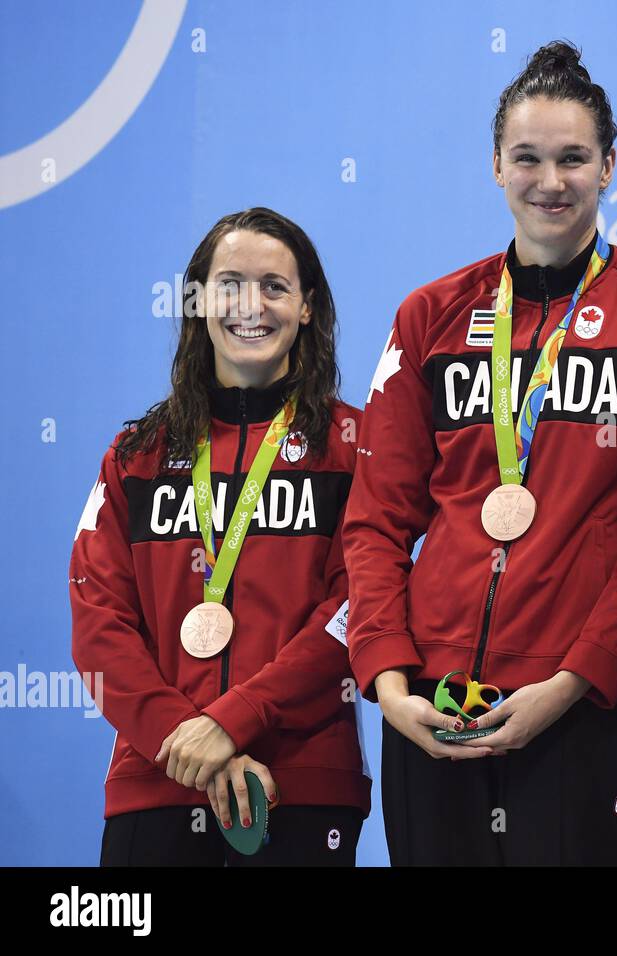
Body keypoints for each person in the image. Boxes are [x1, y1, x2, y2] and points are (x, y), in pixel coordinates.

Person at [343, 40, 617, 866]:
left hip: (576, 707)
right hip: (430, 708)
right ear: (495, 166)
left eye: (573, 158)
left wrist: (579, 677)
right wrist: (387, 678)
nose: (551, 181)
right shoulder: (430, 316)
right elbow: (375, 517)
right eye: (528, 158)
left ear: (611, 165)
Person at [71, 207, 369, 866]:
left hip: (301, 785)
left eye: (274, 286)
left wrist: (233, 722)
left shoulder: (356, 449)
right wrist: (183, 737)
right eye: (230, 284)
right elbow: (98, 621)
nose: (250, 306)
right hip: (156, 783)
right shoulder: (136, 456)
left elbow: (358, 609)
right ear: (198, 303)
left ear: (308, 307)